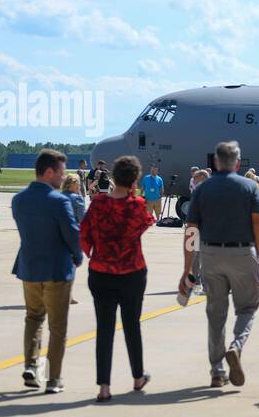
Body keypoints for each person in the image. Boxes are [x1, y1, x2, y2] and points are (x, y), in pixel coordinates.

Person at [180, 141, 259, 388]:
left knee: (216, 314)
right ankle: (237, 345)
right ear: (238, 163)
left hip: (210, 254)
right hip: (242, 253)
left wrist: (188, 268)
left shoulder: (201, 189)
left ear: (216, 163)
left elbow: (191, 230)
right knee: (248, 307)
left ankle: (217, 371)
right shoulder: (250, 187)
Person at [80, 155, 153, 402]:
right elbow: (145, 225)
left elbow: (85, 235)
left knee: (105, 328)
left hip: (101, 272)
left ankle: (104, 386)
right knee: (132, 325)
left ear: (112, 177)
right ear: (135, 179)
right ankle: (137, 377)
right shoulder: (137, 205)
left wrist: (94, 251)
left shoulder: (98, 204)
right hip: (131, 272)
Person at [12, 149, 83, 393]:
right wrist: (78, 255)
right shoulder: (59, 201)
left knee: (33, 319)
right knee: (58, 326)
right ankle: (54, 379)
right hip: (56, 270)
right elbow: (71, 233)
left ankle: (32, 366)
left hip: (29, 269)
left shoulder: (18, 200)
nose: (63, 178)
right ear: (49, 172)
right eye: (61, 173)